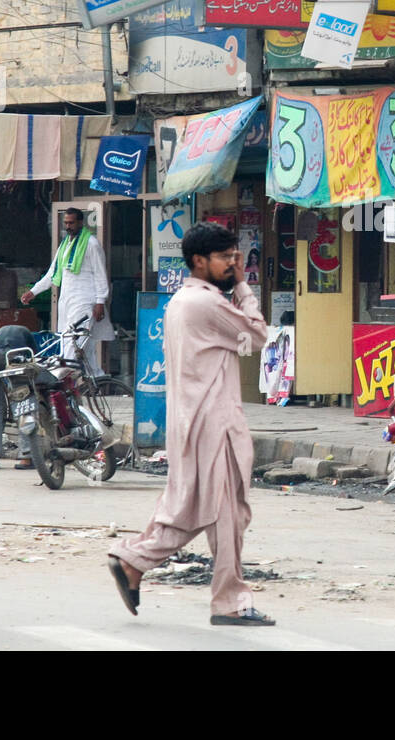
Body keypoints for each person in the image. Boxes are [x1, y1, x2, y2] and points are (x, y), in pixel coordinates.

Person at [107, 222, 274, 626]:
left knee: (211, 511)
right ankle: (225, 600)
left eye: (236, 257)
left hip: (196, 418)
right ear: (199, 261)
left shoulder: (182, 301)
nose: (233, 265)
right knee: (220, 512)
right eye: (225, 258)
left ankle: (136, 563)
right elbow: (256, 336)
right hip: (213, 421)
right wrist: (245, 289)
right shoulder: (205, 303)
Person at [22, 207, 114, 378]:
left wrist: (100, 301)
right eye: (65, 223)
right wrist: (33, 292)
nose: (68, 226)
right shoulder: (65, 244)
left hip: (85, 302)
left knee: (73, 344)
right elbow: (52, 273)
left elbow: (101, 274)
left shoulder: (91, 243)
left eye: (71, 223)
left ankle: (63, 381)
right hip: (67, 301)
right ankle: (98, 381)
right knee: (81, 346)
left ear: (80, 222)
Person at [0, 324, 36, 470]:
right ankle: (25, 457)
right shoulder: (27, 333)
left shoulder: (1, 332)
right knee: (22, 403)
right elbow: (35, 357)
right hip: (15, 355)